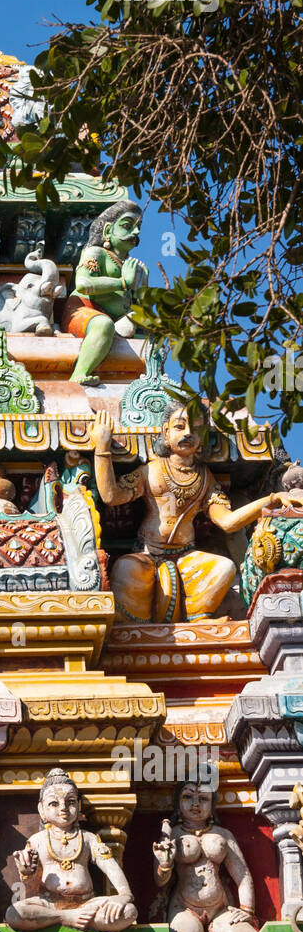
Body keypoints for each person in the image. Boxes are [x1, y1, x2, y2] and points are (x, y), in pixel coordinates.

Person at [93, 404, 303, 621]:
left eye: (195, 429)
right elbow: (111, 496)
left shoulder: (205, 480)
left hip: (187, 557)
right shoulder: (151, 471)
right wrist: (102, 448)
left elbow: (228, 522)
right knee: (126, 568)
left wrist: (273, 499)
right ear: (166, 432)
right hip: (148, 554)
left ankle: (198, 619)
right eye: (180, 426)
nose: (187, 434)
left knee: (224, 567)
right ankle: (131, 624)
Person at [153, 779, 269, 932]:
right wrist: (165, 863)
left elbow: (242, 875)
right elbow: (160, 881)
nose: (195, 804)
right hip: (185, 908)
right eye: (188, 797)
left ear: (212, 804)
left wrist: (247, 909)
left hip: (220, 909)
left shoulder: (223, 835)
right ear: (178, 805)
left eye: (203, 798)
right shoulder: (171, 836)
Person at [5, 769, 137, 932]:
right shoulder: (37, 840)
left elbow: (110, 866)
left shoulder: (89, 838)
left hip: (86, 904)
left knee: (129, 912)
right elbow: (31, 888)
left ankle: (69, 917)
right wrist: (27, 872)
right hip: (49, 904)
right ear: (42, 810)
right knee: (14, 914)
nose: (63, 808)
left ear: (79, 805)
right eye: (54, 803)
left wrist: (124, 895)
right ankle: (65, 917)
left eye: (71, 802)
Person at [62, 202, 148, 385]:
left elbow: (138, 304)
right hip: (83, 310)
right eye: (127, 226)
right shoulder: (97, 253)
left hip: (119, 320)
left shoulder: (136, 267)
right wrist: (123, 282)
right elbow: (84, 283)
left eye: (138, 228)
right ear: (108, 231)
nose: (136, 233)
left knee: (153, 338)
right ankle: (79, 374)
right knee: (103, 325)